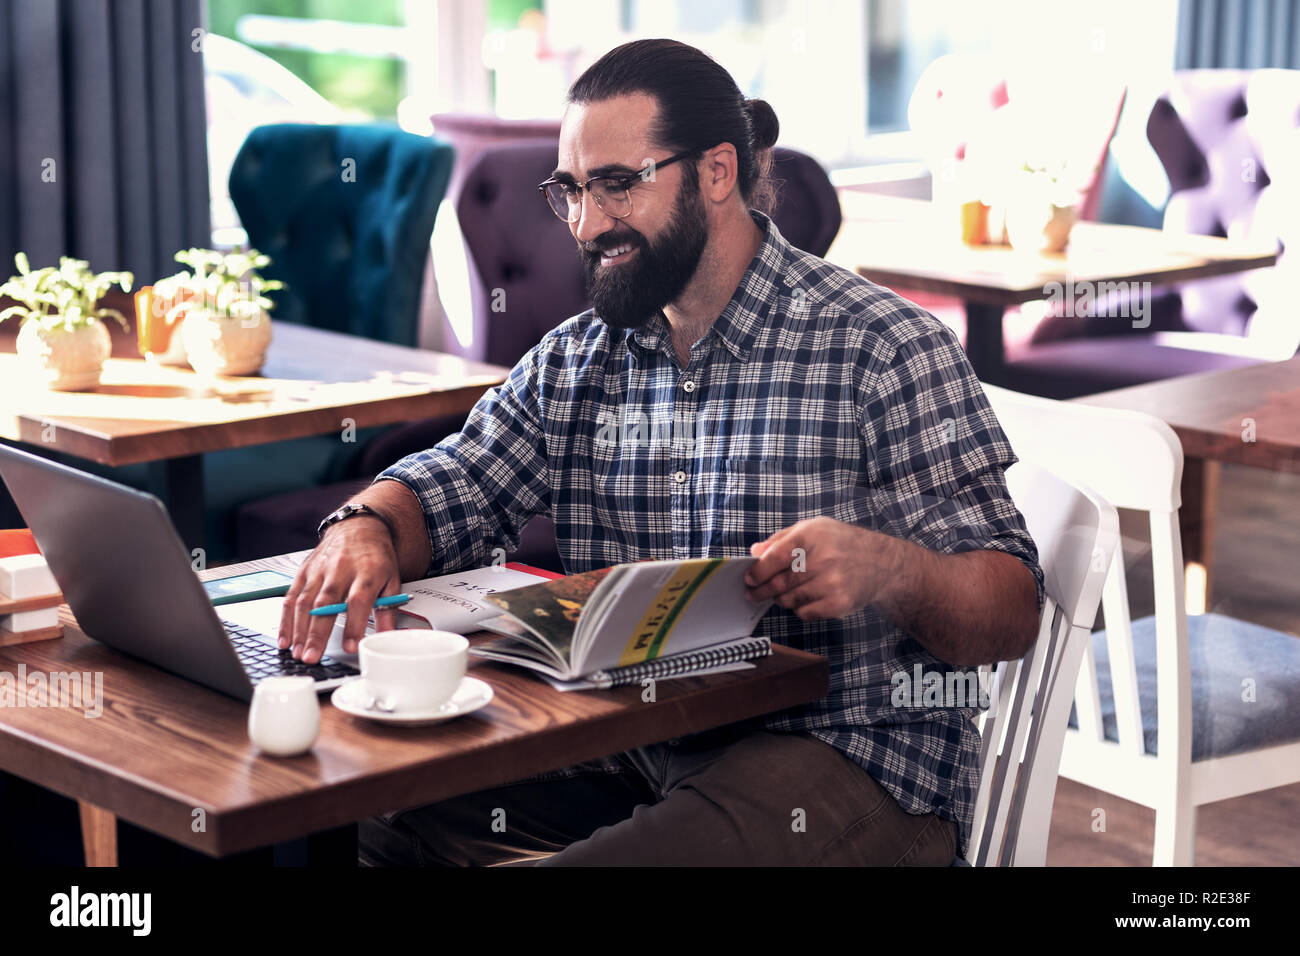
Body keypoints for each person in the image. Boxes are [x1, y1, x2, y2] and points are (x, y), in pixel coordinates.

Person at [279, 38, 1044, 866]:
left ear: (717, 172)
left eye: (616, 184)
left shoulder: (881, 347)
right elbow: (461, 479)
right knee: (372, 820)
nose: (584, 222)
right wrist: (367, 525)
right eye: (568, 190)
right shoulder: (581, 355)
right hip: (634, 746)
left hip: (854, 758)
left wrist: (893, 568)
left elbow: (1010, 613)